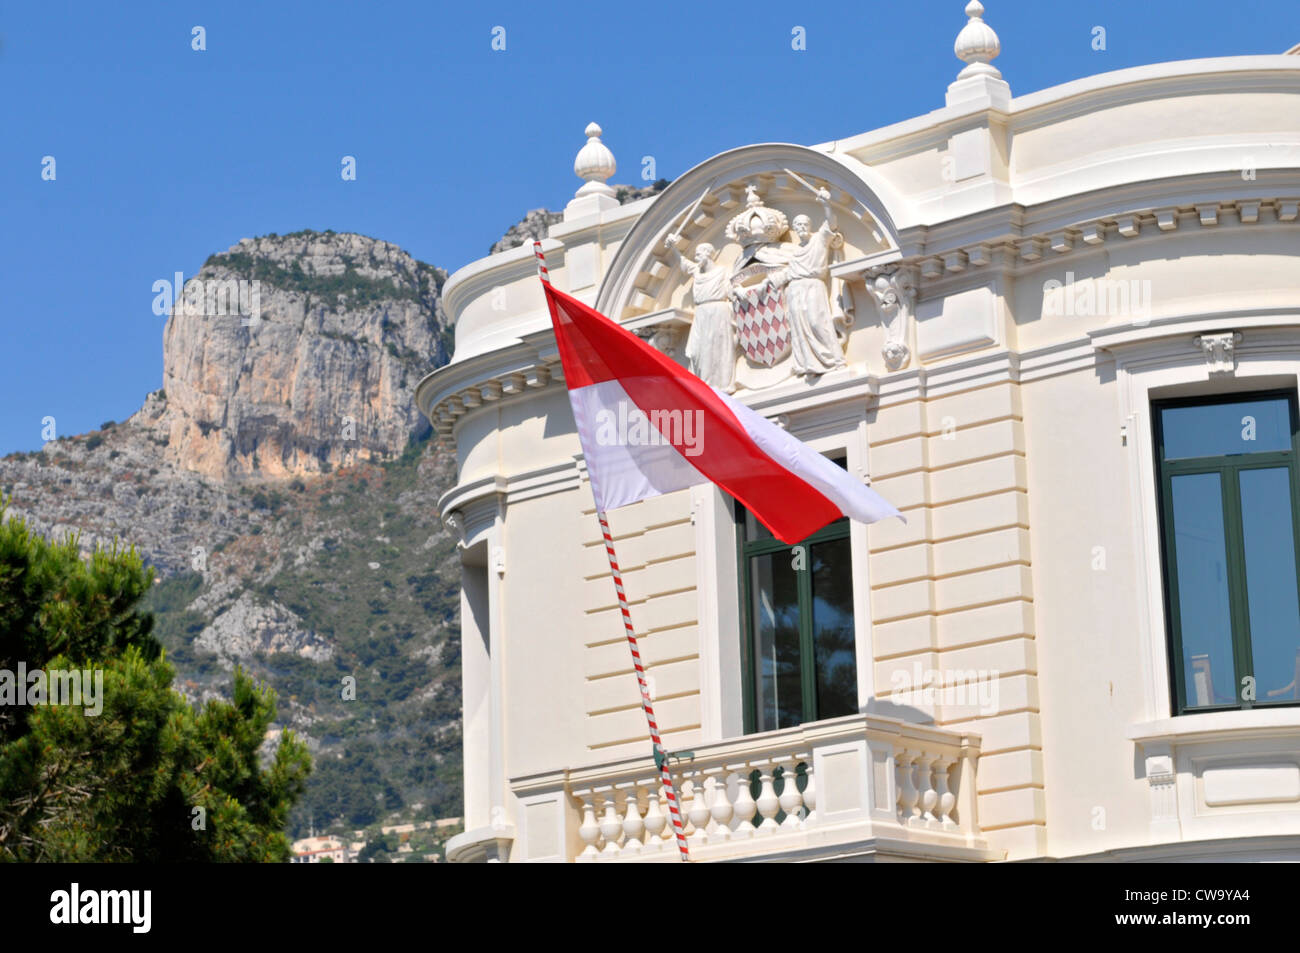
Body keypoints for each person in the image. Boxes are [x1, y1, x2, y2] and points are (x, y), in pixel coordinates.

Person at [777, 189, 846, 378]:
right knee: (798, 328)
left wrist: (826, 204)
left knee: (817, 322)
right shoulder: (794, 251)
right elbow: (786, 274)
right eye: (797, 225)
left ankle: (835, 359)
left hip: (813, 285)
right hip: (795, 290)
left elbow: (831, 224)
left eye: (803, 223)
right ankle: (806, 364)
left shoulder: (819, 239)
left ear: (809, 225)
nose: (800, 227)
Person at [666, 234, 736, 391]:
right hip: (702, 314)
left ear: (708, 254)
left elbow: (732, 290)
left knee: (718, 348)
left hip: (718, 311)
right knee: (697, 351)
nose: (696, 258)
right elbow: (684, 263)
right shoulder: (697, 272)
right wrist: (673, 247)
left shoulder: (722, 272)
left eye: (698, 254)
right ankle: (706, 383)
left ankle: (722, 384)